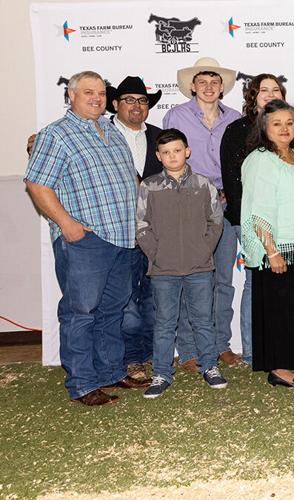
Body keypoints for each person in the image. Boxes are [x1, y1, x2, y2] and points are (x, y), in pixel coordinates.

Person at [24, 70, 148, 405]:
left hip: (122, 237)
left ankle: (109, 371)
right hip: (86, 240)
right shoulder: (56, 135)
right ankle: (81, 383)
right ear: (71, 95)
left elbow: (129, 178)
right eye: (88, 92)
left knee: (112, 310)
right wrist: (67, 224)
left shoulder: (110, 129)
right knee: (81, 312)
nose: (96, 98)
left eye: (100, 93)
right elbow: (37, 184)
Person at [162, 57, 243, 368]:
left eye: (214, 82)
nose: (208, 87)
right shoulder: (176, 116)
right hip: (189, 204)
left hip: (224, 203)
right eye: (202, 82)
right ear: (192, 86)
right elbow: (169, 162)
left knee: (222, 279)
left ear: (221, 87)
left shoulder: (234, 118)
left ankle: (221, 343)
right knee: (191, 278)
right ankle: (191, 348)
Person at [137, 129, 228, 397]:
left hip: (199, 267)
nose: (172, 156)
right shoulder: (149, 186)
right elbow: (141, 225)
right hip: (163, 269)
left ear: (187, 151)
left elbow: (216, 221)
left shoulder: (203, 185)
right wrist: (156, 254)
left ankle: (210, 366)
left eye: (177, 150)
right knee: (164, 322)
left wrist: (203, 250)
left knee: (202, 320)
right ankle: (162, 373)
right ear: (158, 156)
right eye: (166, 152)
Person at [241, 99, 294, 386]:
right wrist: (271, 250)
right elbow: (258, 209)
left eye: (289, 123)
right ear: (264, 128)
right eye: (277, 123)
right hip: (277, 248)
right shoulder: (261, 159)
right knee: (280, 310)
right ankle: (279, 369)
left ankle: (292, 362)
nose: (284, 128)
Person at [220, 74, 286, 365]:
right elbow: (233, 181)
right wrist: (248, 220)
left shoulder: (288, 129)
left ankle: (279, 346)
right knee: (254, 282)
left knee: (279, 284)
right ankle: (252, 350)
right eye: (264, 90)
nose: (270, 94)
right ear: (253, 96)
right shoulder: (238, 130)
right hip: (249, 218)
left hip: (284, 218)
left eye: (276, 90)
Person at [106, 76, 164, 383]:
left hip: (155, 235)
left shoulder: (159, 137)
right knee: (126, 301)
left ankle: (150, 353)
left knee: (154, 298)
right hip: (117, 233)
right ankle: (131, 360)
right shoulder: (100, 133)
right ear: (114, 104)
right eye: (129, 100)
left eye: (141, 101)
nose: (136, 106)